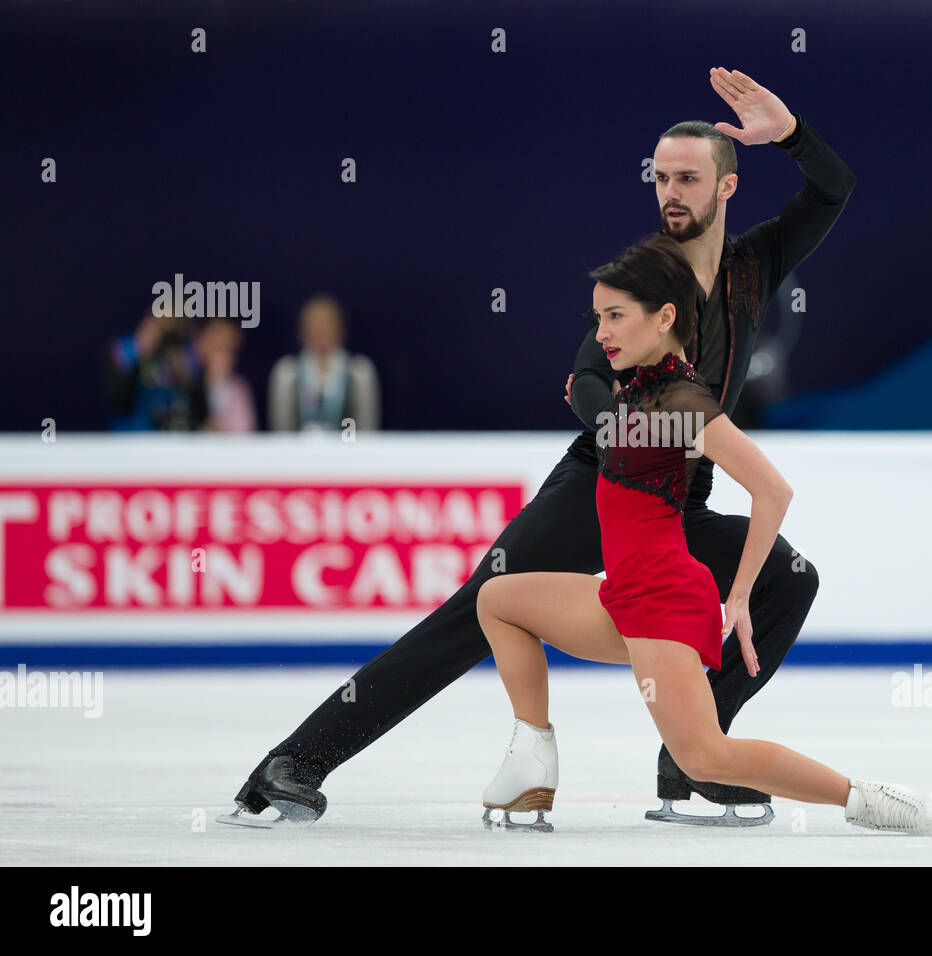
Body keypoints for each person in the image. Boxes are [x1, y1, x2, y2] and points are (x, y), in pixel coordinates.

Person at [221, 67, 855, 829]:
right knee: (470, 614)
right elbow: (588, 377)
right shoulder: (643, 277)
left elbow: (832, 189)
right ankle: (295, 763)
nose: (671, 192)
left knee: (791, 578)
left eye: (688, 177)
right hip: (601, 488)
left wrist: (790, 134)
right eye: (661, 178)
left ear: (726, 187)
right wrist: (623, 434)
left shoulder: (756, 265)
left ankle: (696, 763)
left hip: (679, 509)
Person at [479, 237, 932, 834]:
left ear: (665, 317)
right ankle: (533, 765)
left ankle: (878, 801)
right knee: (498, 600)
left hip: (659, 599)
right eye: (598, 317)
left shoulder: (684, 401)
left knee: (704, 756)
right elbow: (618, 424)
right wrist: (595, 401)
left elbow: (773, 491)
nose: (601, 333)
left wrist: (739, 597)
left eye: (616, 316)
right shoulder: (641, 388)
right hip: (621, 596)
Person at [268, 294, 380, 432]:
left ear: (340, 329)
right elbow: (282, 430)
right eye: (314, 325)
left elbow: (366, 429)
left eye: (327, 324)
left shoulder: (359, 371)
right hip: (298, 452)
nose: (321, 331)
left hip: (348, 450)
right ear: (302, 331)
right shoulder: (287, 372)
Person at [196, 317, 257, 433]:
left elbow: (245, 434)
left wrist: (219, 385)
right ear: (201, 342)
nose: (222, 356)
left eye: (229, 349)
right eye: (217, 347)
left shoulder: (239, 389)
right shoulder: (184, 382)